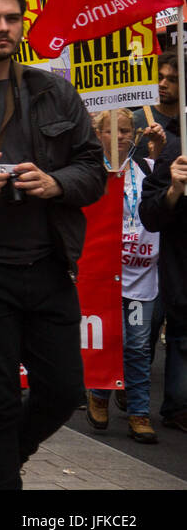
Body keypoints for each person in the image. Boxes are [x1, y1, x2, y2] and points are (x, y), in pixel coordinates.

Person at [0, 0, 106, 490]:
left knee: (63, 392)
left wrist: (54, 182)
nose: (3, 28)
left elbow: (93, 169)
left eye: (12, 18)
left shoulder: (53, 91)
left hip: (48, 267)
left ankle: (7, 456)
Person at [86, 108, 166, 444]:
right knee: (107, 340)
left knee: (136, 344)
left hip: (140, 275)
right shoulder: (90, 173)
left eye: (125, 131)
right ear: (98, 135)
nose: (119, 136)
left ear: (133, 136)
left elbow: (163, 199)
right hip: (103, 274)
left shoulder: (147, 170)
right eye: (111, 131)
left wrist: (160, 156)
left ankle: (138, 413)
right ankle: (99, 395)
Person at [135, 106, 187, 436]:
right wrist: (173, 190)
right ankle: (175, 407)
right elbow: (150, 214)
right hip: (179, 276)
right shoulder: (176, 154)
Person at [131, 53, 179, 159]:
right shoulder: (134, 120)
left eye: (172, 80)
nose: (162, 84)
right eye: (159, 77)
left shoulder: (183, 121)